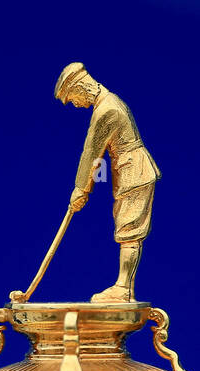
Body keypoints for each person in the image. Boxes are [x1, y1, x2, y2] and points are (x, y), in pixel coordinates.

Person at [55, 62, 161, 303]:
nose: (75, 104)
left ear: (81, 87)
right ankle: (125, 288)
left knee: (129, 229)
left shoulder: (107, 110)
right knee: (127, 229)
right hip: (130, 171)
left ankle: (123, 288)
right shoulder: (108, 103)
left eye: (73, 99)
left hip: (134, 172)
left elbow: (92, 151)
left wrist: (81, 189)